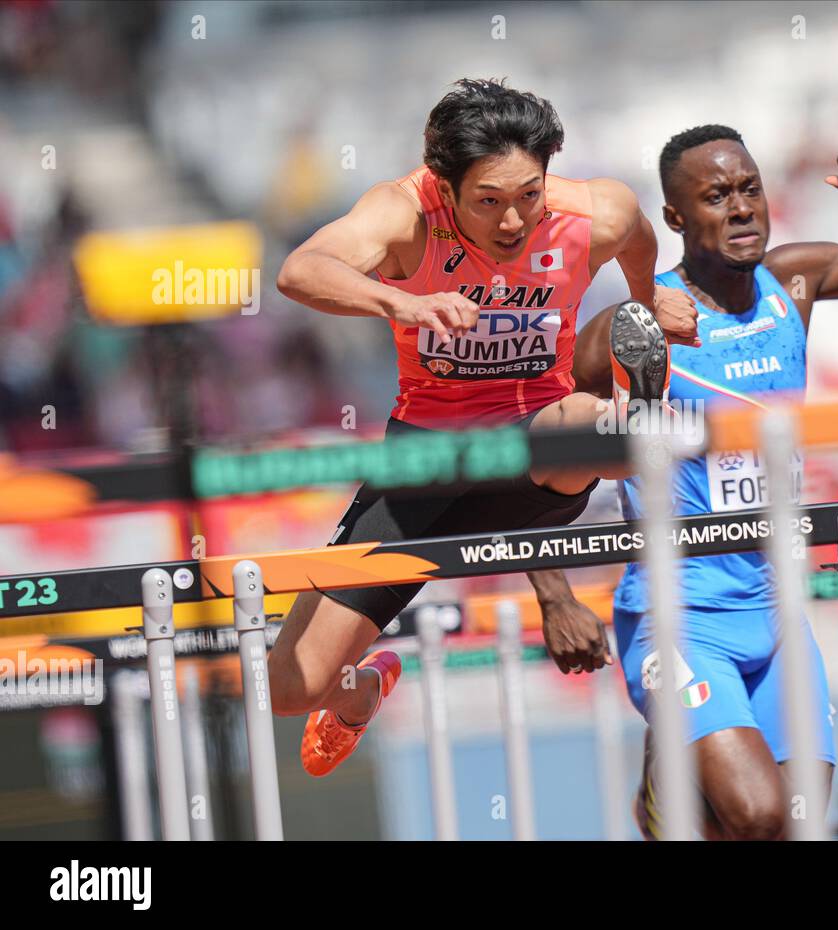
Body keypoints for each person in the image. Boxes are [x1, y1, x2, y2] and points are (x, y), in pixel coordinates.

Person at [269, 78, 695, 776]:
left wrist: (652, 301)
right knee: (293, 687)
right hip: (425, 461)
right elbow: (299, 270)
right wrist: (397, 303)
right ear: (446, 183)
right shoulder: (404, 213)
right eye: (488, 202)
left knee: (589, 425)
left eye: (529, 194)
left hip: (535, 436)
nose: (512, 222)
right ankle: (363, 689)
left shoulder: (597, 212)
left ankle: (637, 410)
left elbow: (640, 238)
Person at [567, 118, 838, 839]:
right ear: (675, 218)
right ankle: (666, 784)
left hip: (777, 616)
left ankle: (676, 785)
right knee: (756, 813)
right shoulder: (644, 320)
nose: (742, 207)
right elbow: (558, 394)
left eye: (749, 189)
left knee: (797, 827)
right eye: (717, 196)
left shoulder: (794, 281)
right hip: (677, 616)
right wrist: (549, 588)